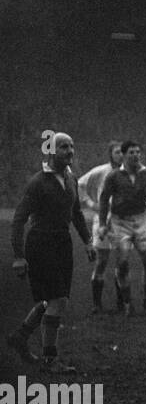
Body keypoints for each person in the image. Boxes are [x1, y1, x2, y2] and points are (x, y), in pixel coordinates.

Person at [9, 133, 93, 373]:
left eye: (72, 145)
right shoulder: (38, 182)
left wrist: (88, 241)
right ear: (51, 152)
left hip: (62, 244)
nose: (70, 150)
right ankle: (49, 360)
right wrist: (18, 256)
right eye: (64, 146)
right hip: (41, 244)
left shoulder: (71, 179)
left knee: (50, 300)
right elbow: (18, 220)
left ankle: (20, 337)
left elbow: (76, 213)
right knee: (58, 300)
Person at [98, 140, 146, 314]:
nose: (135, 155)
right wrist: (102, 224)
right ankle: (127, 302)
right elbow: (104, 199)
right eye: (131, 152)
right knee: (123, 261)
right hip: (119, 222)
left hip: (141, 220)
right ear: (124, 155)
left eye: (138, 152)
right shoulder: (113, 176)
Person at [77, 140, 122, 313]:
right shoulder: (101, 171)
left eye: (121, 152)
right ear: (110, 154)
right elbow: (80, 184)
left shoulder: (129, 173)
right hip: (102, 222)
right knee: (101, 262)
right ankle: (97, 304)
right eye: (117, 152)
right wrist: (90, 203)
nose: (120, 155)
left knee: (122, 262)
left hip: (122, 223)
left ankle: (121, 303)